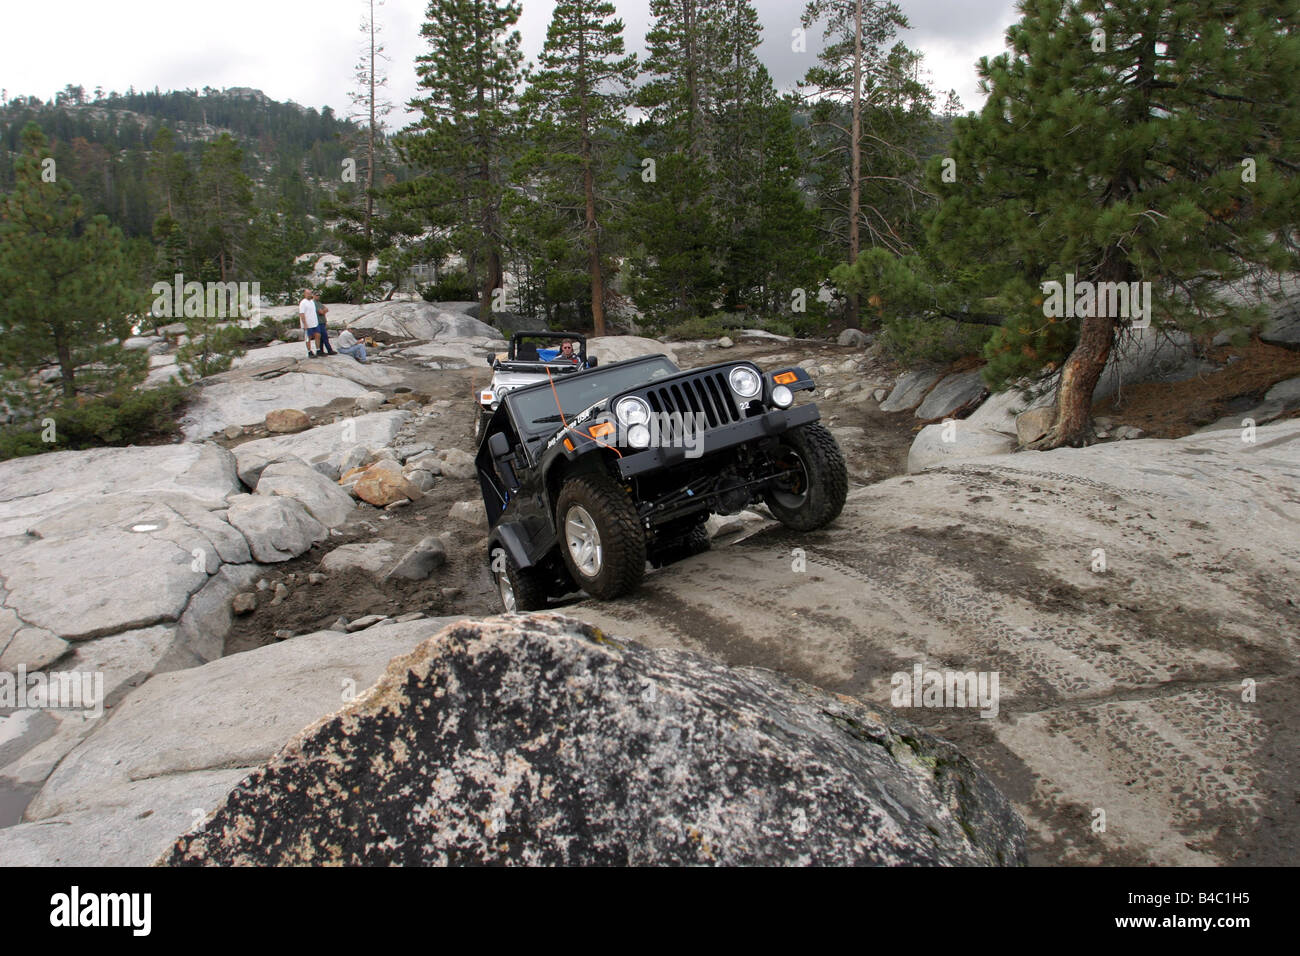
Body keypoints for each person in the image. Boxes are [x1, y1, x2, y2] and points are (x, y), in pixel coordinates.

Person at [298, 288, 322, 358]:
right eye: (308, 293)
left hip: (314, 322)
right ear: (305, 294)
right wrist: (304, 323)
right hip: (308, 324)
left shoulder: (312, 302)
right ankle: (309, 351)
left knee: (318, 335)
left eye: (310, 293)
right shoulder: (303, 303)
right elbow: (301, 314)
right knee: (308, 338)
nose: (309, 295)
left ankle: (318, 350)